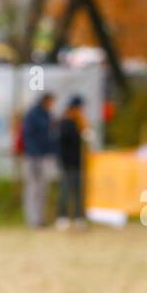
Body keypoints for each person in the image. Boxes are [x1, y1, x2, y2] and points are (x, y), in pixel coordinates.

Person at [20, 92, 55, 228]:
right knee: (33, 189)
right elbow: (28, 136)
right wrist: (33, 155)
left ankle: (41, 218)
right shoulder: (32, 115)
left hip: (45, 156)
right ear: (45, 101)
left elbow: (50, 136)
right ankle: (32, 220)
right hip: (33, 157)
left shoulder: (47, 115)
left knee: (43, 189)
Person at [55, 95, 87, 229]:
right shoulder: (65, 123)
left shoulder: (78, 122)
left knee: (79, 191)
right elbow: (62, 145)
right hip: (67, 163)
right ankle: (62, 217)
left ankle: (79, 217)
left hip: (78, 162)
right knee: (65, 191)